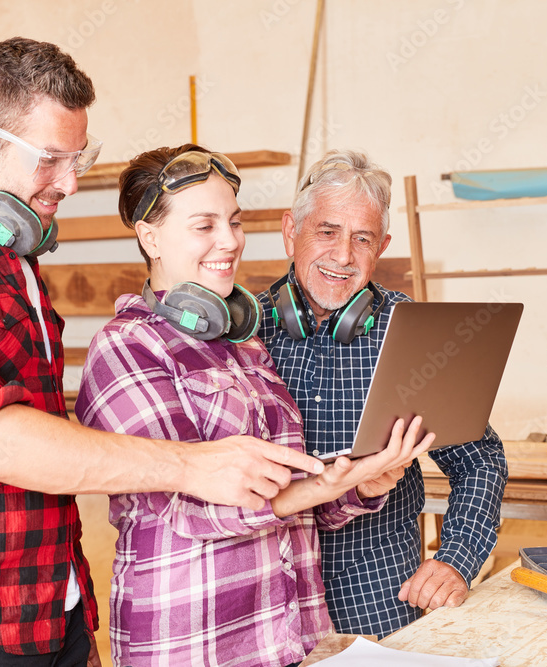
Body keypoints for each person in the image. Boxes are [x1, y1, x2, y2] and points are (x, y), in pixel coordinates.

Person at [0, 38, 325, 667]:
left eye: (78, 157)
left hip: (56, 608)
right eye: (50, 160)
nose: (69, 181)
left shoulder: (16, 263)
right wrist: (191, 466)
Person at [74, 144, 435, 667]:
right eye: (205, 226)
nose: (230, 241)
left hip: (290, 634)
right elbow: (187, 507)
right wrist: (321, 485)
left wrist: (358, 485)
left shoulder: (243, 343)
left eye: (235, 222)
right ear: (149, 237)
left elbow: (292, 500)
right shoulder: (127, 347)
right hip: (195, 641)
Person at [256, 149, 509, 637]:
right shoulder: (245, 334)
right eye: (326, 231)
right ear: (291, 231)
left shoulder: (410, 333)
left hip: (377, 597)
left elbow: (481, 460)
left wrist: (456, 559)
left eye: (362, 238)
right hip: (270, 597)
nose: (343, 255)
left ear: (382, 246)